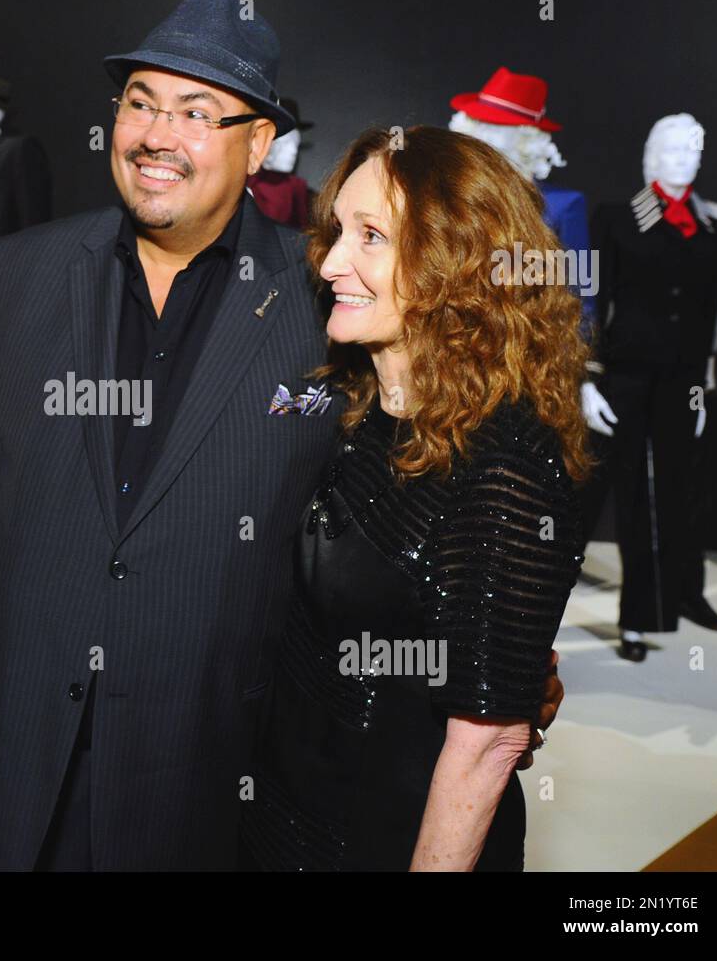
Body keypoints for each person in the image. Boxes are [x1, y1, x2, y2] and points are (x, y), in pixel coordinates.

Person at [0, 0, 564, 871]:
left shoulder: (322, 307)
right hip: (13, 747)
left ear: (258, 143)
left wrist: (502, 647)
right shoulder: (19, 276)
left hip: (208, 779)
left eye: (195, 112)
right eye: (140, 103)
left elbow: (415, 500)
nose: (156, 134)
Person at [241, 126, 589, 871]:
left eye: (372, 237)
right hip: (285, 814)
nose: (332, 262)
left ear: (455, 264)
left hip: (387, 841)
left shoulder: (510, 461)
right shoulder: (353, 410)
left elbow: (488, 742)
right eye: (338, 233)